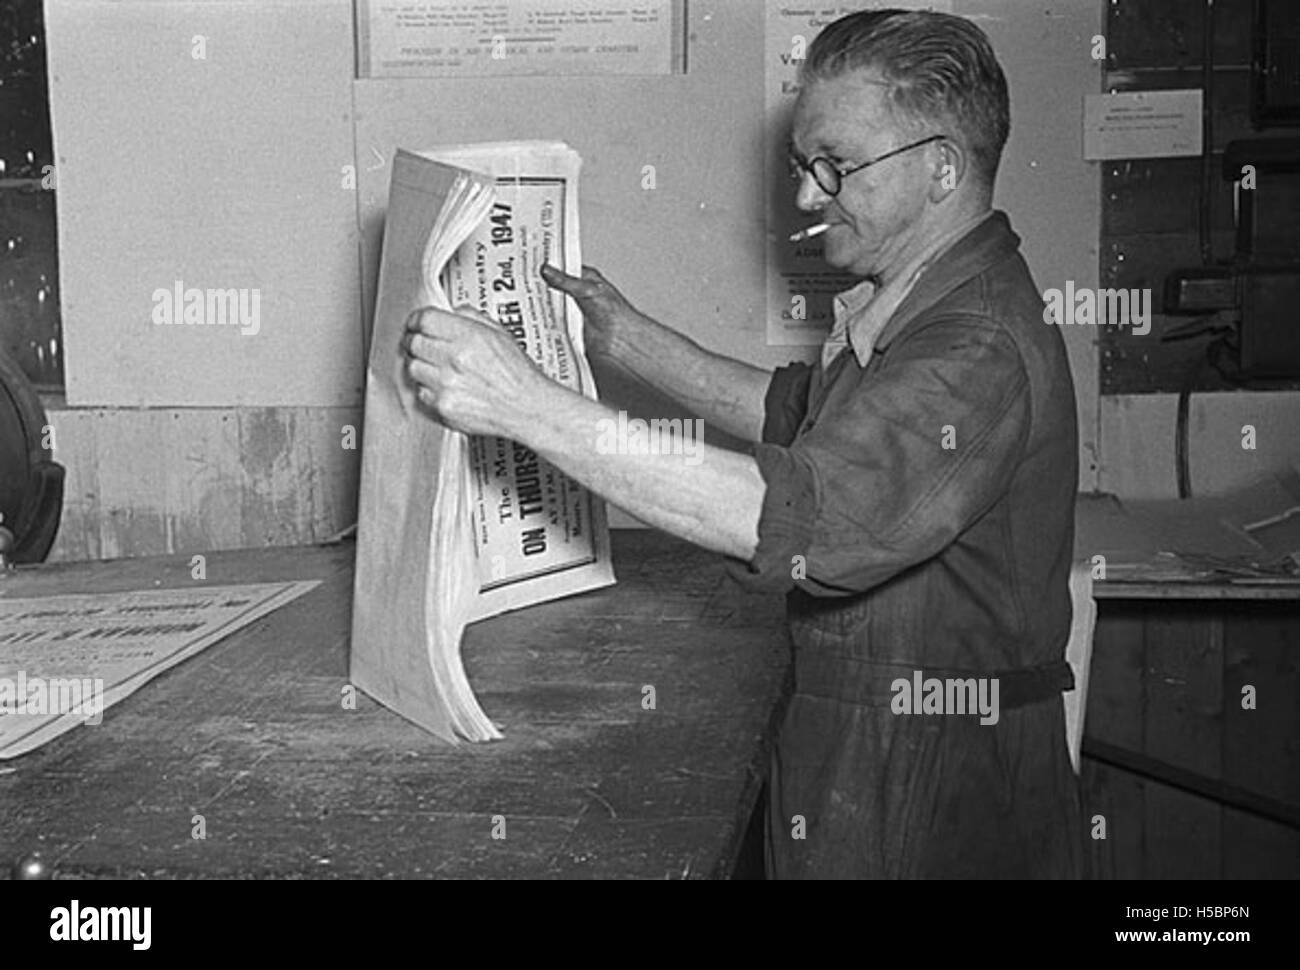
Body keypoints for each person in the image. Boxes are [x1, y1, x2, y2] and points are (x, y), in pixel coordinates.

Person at [403, 8, 1084, 879]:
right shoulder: (924, 306)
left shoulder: (976, 345)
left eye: (835, 166)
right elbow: (796, 413)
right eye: (803, 166)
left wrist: (527, 407)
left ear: (941, 167)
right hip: (868, 744)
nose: (806, 198)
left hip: (937, 780)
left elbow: (810, 519)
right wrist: (630, 339)